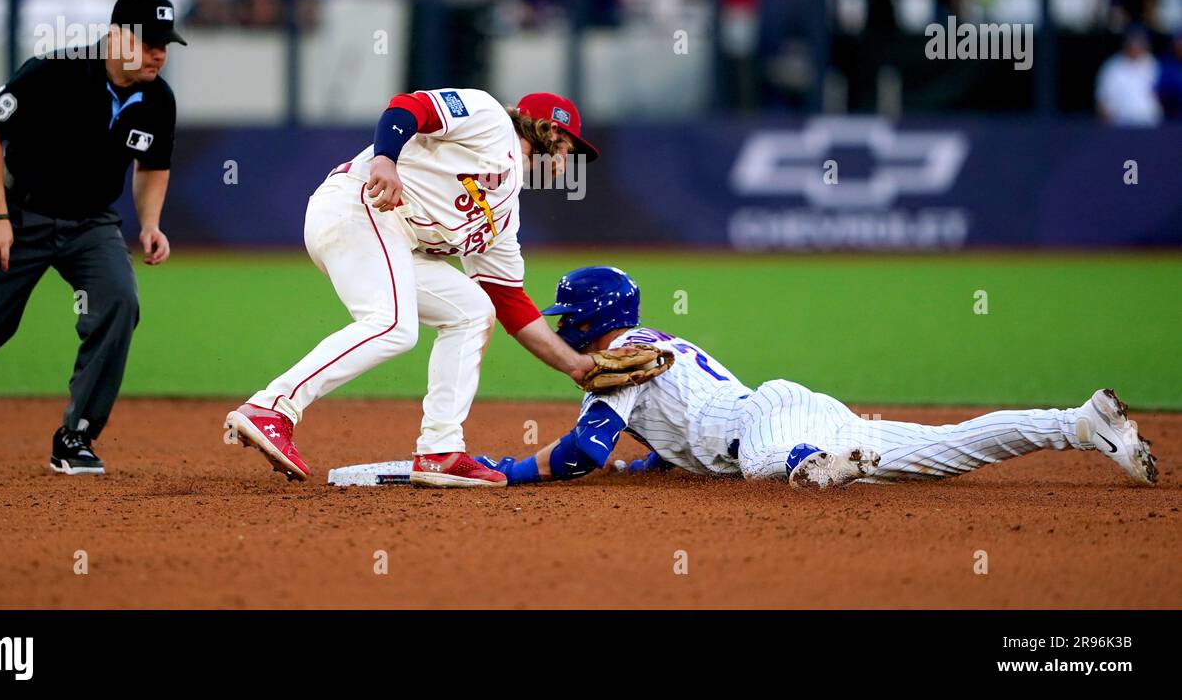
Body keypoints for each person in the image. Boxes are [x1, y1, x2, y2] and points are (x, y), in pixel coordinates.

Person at [476, 266, 1158, 489]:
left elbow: (582, 454)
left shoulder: (620, 358)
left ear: (593, 316)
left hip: (773, 427)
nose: (559, 326)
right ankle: (1075, 423)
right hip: (798, 408)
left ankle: (819, 464)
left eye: (568, 314)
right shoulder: (655, 344)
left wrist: (510, 469)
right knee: (947, 449)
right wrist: (650, 465)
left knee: (768, 467)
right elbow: (674, 429)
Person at [225, 89, 602, 487]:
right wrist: (386, 158)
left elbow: (510, 302)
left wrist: (576, 365)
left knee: (473, 311)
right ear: (548, 132)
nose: (566, 161)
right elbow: (411, 106)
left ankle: (440, 450)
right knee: (393, 325)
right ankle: (272, 408)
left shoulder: (504, 217)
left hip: (391, 236)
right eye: (567, 146)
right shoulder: (489, 118)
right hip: (359, 204)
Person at [0, 0, 184, 475]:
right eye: (149, 41)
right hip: (21, 215)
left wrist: (151, 222)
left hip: (92, 223)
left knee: (118, 302)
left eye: (166, 42)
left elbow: (153, 164)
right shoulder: (53, 72)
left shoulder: (158, 99)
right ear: (116, 37)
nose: (159, 52)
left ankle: (76, 434)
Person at [1096, 26, 1162, 126]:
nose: (1135, 46)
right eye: (1132, 42)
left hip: (1150, 125)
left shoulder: (1153, 65)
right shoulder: (1112, 66)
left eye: (1139, 42)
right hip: (1120, 126)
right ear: (1125, 43)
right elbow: (1102, 100)